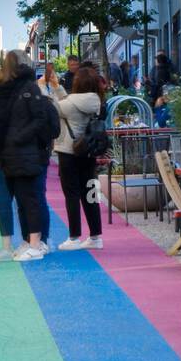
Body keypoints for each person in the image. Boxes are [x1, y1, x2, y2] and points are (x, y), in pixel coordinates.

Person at [0, 51, 52, 262]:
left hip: (23, 150)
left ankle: (36, 242)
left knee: (30, 197)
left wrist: (19, 136)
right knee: (23, 199)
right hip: (11, 151)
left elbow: (38, 118)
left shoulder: (26, 88)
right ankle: (29, 240)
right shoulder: (10, 90)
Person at [54, 67, 106, 251]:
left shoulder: (70, 102)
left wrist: (51, 88)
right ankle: (96, 236)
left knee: (72, 193)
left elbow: (55, 107)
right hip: (89, 150)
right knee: (90, 193)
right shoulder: (96, 101)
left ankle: (74, 236)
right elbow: (66, 102)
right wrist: (59, 89)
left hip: (69, 150)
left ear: (77, 83)